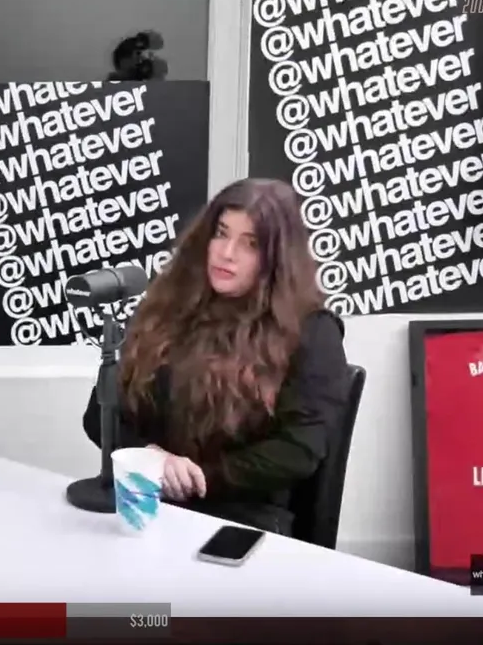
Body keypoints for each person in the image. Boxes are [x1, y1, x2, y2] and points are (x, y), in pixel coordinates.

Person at [83, 178, 350, 535]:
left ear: (277, 258)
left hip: (241, 517)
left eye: (250, 244)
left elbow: (298, 450)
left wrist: (196, 477)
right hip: (147, 501)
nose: (227, 253)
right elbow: (98, 416)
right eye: (221, 234)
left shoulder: (312, 331)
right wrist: (151, 457)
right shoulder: (165, 309)